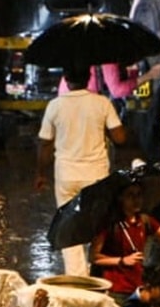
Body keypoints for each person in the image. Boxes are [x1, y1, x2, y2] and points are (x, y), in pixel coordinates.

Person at [36, 62, 128, 276]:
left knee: (70, 231)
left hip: (66, 177)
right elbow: (120, 138)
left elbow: (45, 144)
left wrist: (40, 174)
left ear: (66, 81)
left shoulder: (55, 106)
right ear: (89, 78)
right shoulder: (102, 103)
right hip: (96, 177)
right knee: (97, 227)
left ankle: (77, 278)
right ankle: (98, 273)